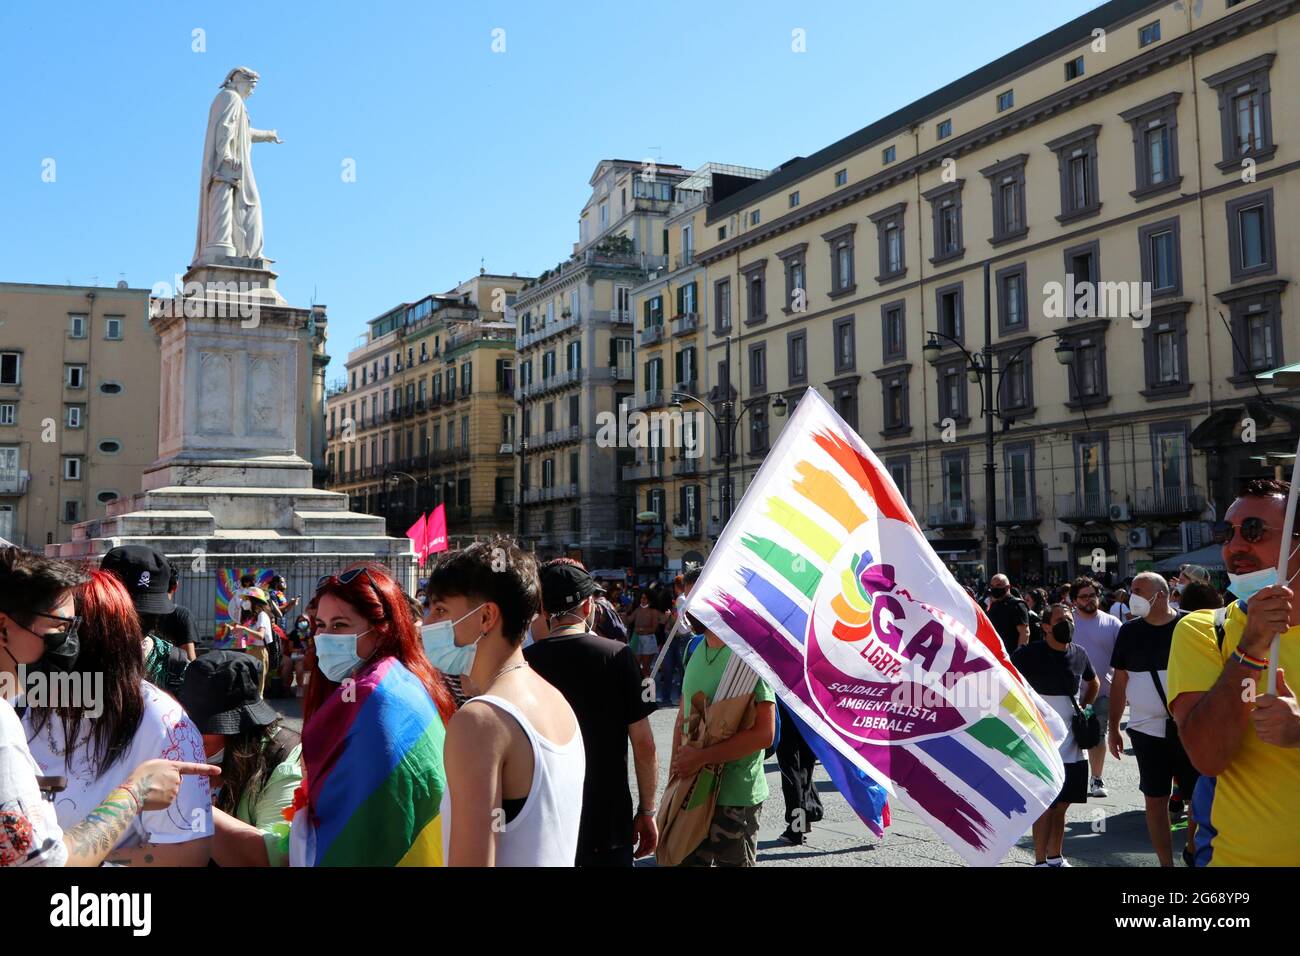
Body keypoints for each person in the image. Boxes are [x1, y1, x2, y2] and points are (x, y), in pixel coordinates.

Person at [0, 547, 217, 868]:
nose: (64, 647)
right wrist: (131, 797)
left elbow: (188, 851)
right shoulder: (18, 706)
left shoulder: (165, 723)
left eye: (73, 632)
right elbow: (40, 860)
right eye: (60, 628)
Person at [426, 541, 584, 866]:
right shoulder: (556, 700)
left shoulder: (481, 720)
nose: (426, 623)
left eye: (440, 610)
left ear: (486, 617)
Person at [1169, 478, 1300, 866]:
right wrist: (1251, 647)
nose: (1235, 546)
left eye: (1254, 531)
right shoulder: (1203, 630)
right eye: (1226, 532)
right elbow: (1208, 757)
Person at [290, 564, 453, 867]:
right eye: (320, 625)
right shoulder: (403, 679)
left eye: (340, 625)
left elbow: (358, 841)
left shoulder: (374, 699)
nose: (324, 637)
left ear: (381, 630)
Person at [525, 559, 658, 866]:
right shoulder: (618, 655)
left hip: (546, 822)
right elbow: (645, 745)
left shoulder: (524, 663)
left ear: (544, 612)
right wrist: (647, 810)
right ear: (588, 607)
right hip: (608, 823)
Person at [669, 617, 777, 867]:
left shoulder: (748, 657)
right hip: (691, 790)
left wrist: (701, 757)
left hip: (735, 796)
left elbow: (764, 734)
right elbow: (682, 716)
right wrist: (676, 775)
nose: (688, 609)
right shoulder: (694, 650)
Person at [1107, 572, 1198, 866]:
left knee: (1196, 797)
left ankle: (1194, 851)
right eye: (1131, 588)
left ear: (1160, 595)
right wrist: (1113, 729)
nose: (1131, 594)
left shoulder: (1189, 625)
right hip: (1146, 730)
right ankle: (1165, 864)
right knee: (1155, 799)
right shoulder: (1128, 632)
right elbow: (1119, 683)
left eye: (1138, 589)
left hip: (1188, 726)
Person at [179, 651, 302, 866]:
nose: (192, 734)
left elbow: (276, 857)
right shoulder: (177, 746)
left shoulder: (284, 758)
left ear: (240, 730)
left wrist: (191, 803)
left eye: (206, 726)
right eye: (189, 722)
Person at [1013, 603, 1098, 866]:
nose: (1067, 624)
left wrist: (1086, 707)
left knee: (1062, 804)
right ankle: (1040, 860)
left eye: (1070, 619)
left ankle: (1055, 857)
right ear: (1046, 627)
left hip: (1072, 740)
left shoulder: (1079, 654)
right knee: (1044, 803)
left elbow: (1093, 682)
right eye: (1061, 619)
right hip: (1041, 739)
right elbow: (1008, 680)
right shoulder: (1029, 654)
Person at [100, 545, 192, 691]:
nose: (137, 622)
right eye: (128, 612)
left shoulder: (173, 664)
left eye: (148, 612)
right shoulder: (76, 657)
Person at [1069, 575, 1123, 798]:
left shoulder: (1112, 623)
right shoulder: (1067, 623)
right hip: (1070, 694)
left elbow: (1122, 661)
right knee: (1070, 738)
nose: (1090, 600)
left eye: (1093, 595)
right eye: (1084, 597)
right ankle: (1069, 780)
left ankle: (1096, 779)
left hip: (1102, 693)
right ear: (1074, 600)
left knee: (1097, 736)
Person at [231, 586, 274, 698]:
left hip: (259, 652)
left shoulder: (262, 616)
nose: (244, 602)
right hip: (250, 650)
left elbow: (260, 635)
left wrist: (244, 629)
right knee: (249, 685)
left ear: (254, 601)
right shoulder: (252, 617)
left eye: (246, 599)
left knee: (258, 687)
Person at [986, 573, 1029, 656]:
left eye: (998, 585)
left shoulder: (1017, 605)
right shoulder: (994, 604)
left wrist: (1018, 655)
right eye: (992, 586)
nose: (995, 588)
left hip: (1010, 654)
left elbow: (1024, 633)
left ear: (1008, 587)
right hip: (995, 653)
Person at [627, 591, 665, 679]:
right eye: (641, 597)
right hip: (637, 640)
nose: (642, 600)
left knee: (646, 667)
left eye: (645, 598)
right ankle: (639, 687)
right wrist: (622, 614)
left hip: (648, 640)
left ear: (650, 600)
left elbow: (653, 629)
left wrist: (640, 629)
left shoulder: (654, 612)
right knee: (635, 666)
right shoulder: (637, 610)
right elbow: (629, 620)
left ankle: (647, 689)